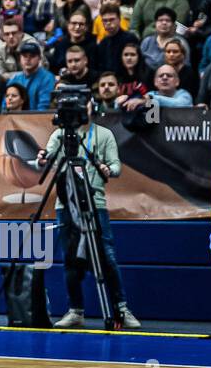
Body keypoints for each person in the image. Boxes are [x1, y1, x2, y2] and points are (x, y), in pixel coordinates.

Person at [37, 96, 139, 329]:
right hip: (67, 206)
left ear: (93, 109)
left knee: (107, 256)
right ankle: (76, 311)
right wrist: (42, 158)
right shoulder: (59, 136)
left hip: (96, 203)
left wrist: (106, 168)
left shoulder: (103, 135)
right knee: (71, 258)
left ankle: (121, 309)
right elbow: (45, 159)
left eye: (84, 105)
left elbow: (116, 167)